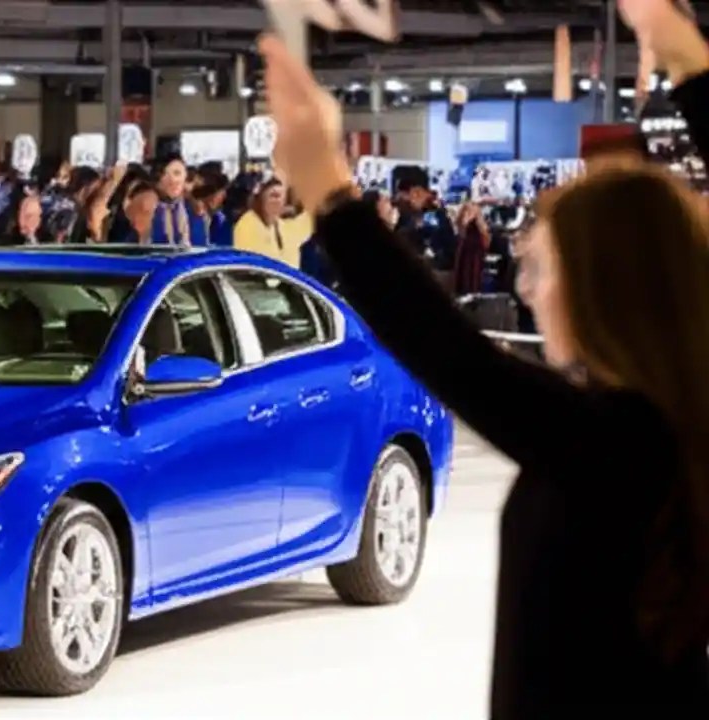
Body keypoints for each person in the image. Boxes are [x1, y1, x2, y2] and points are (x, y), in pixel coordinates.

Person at [259, 12, 709, 716]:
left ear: (604, 279)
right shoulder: (664, 427)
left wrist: (327, 185)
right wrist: (692, 67)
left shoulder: (613, 443)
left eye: (543, 265)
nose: (527, 288)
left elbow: (448, 350)